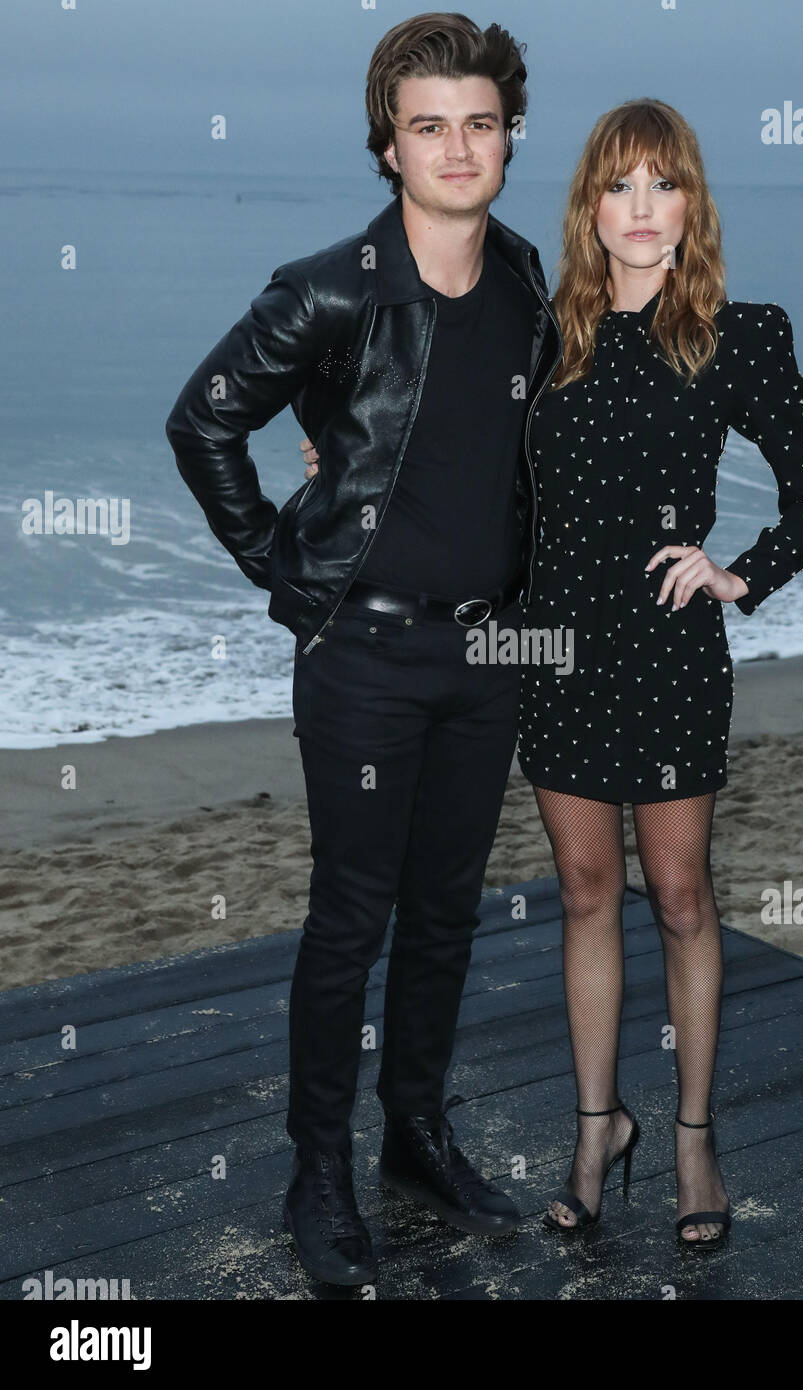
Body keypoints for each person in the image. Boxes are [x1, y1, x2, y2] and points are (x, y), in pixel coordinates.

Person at [299, 100, 803, 1254]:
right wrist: (337, 442)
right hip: (548, 655)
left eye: (663, 186)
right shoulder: (548, 333)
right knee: (585, 896)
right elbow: (433, 417)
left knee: (683, 898)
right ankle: (596, 1128)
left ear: (690, 204)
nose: (640, 210)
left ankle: (694, 1134)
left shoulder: (735, 335)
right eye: (618, 188)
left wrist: (734, 573)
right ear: (588, 208)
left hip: (668, 658)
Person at [165, 13, 562, 1286]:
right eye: (429, 125)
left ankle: (415, 1136)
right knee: (350, 920)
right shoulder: (329, 286)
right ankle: (316, 1171)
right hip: (366, 658)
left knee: (446, 912)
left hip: (486, 654)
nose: (457, 147)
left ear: (509, 136)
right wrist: (282, 566)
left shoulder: (521, 280)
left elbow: (511, 455)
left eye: (480, 123)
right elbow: (203, 422)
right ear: (387, 146)